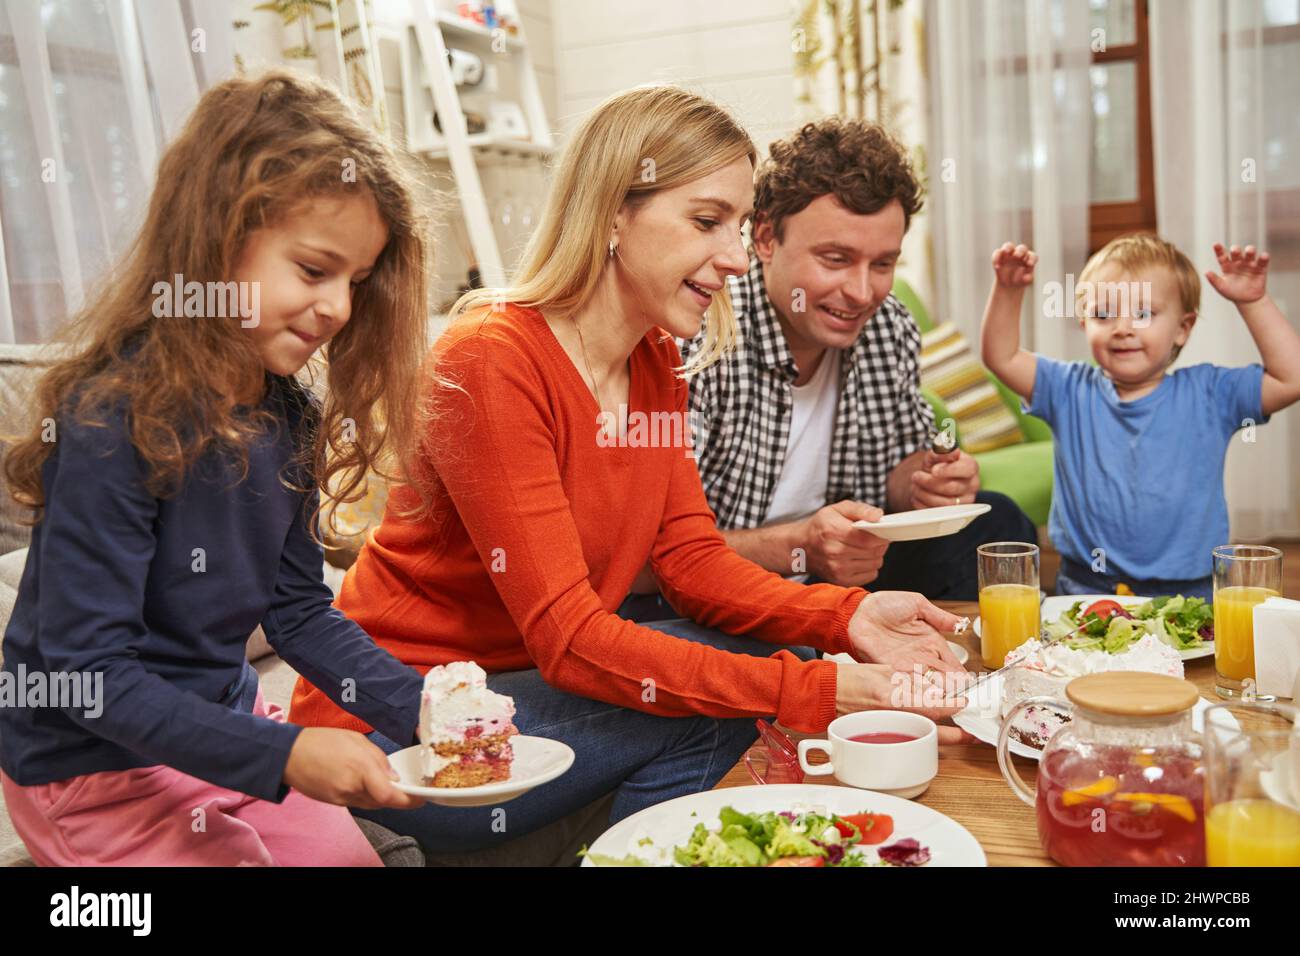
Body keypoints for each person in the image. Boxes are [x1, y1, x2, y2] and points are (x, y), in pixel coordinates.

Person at [290, 86, 971, 856]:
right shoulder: (492, 359)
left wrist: (845, 616)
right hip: (410, 725)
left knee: (766, 666)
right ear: (614, 211)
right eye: (707, 221)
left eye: (742, 228)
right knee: (752, 687)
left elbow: (690, 561)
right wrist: (817, 685)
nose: (736, 258)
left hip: (529, 702)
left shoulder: (654, 363)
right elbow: (571, 640)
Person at [0, 70, 435, 866]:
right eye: (313, 270)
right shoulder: (111, 420)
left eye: (356, 280)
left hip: (221, 735)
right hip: (91, 764)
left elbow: (298, 613)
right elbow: (88, 674)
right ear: (215, 241)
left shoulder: (288, 415)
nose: (339, 307)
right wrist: (286, 756)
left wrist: (428, 711)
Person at [624, 118, 1035, 619]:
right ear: (768, 239)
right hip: (722, 584)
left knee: (998, 523)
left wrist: (925, 483)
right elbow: (646, 559)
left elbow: (896, 474)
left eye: (882, 264)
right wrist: (798, 545)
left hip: (838, 572)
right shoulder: (700, 334)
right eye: (836, 259)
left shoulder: (888, 325)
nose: (862, 293)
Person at [980, 234, 1300, 600]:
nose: (1123, 327)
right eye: (1103, 314)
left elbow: (1291, 378)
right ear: (1085, 324)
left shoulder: (1211, 393)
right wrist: (1007, 290)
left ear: (1183, 327)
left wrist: (1254, 302)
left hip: (1189, 594)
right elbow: (1001, 357)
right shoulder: (1066, 389)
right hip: (1087, 588)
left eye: (1144, 313)